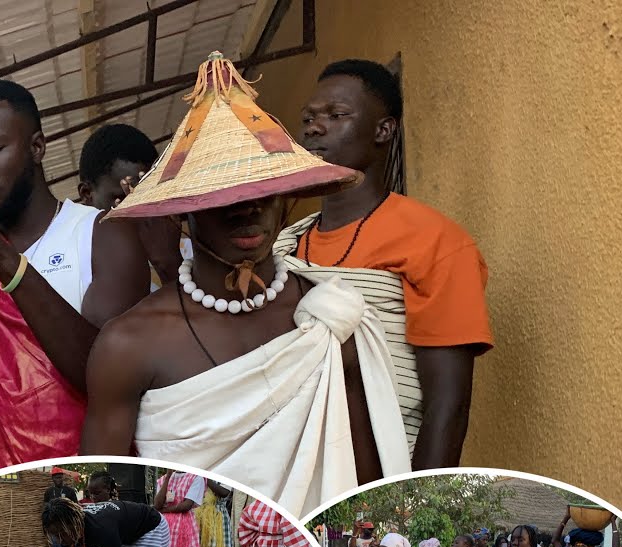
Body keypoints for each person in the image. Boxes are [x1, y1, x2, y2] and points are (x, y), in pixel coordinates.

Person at [83, 51, 410, 516]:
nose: (247, 209)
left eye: (263, 191)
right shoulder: (128, 344)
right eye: (222, 198)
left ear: (287, 198)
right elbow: (109, 500)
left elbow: (362, 481)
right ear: (182, 209)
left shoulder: (332, 318)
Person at [0, 79, 150, 494]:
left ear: (37, 148)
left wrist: (5, 264)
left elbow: (105, 382)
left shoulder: (102, 237)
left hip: (91, 501)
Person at [278, 58, 492, 469]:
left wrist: (413, 495)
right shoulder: (285, 246)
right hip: (293, 469)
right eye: (308, 118)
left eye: (336, 116)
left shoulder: (435, 241)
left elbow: (448, 405)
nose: (313, 128)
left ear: (384, 130)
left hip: (383, 464)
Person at [76, 122, 184, 285]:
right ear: (87, 194)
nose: (138, 214)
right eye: (123, 199)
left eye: (147, 197)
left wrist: (168, 262)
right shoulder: (75, 267)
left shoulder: (188, 254)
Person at [44, 469, 78, 547]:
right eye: (55, 477)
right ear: (52, 479)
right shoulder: (49, 492)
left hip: (68, 524)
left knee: (71, 545)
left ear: (63, 477)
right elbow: (45, 506)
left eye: (59, 477)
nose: (58, 479)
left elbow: (75, 506)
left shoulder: (69, 491)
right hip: (54, 524)